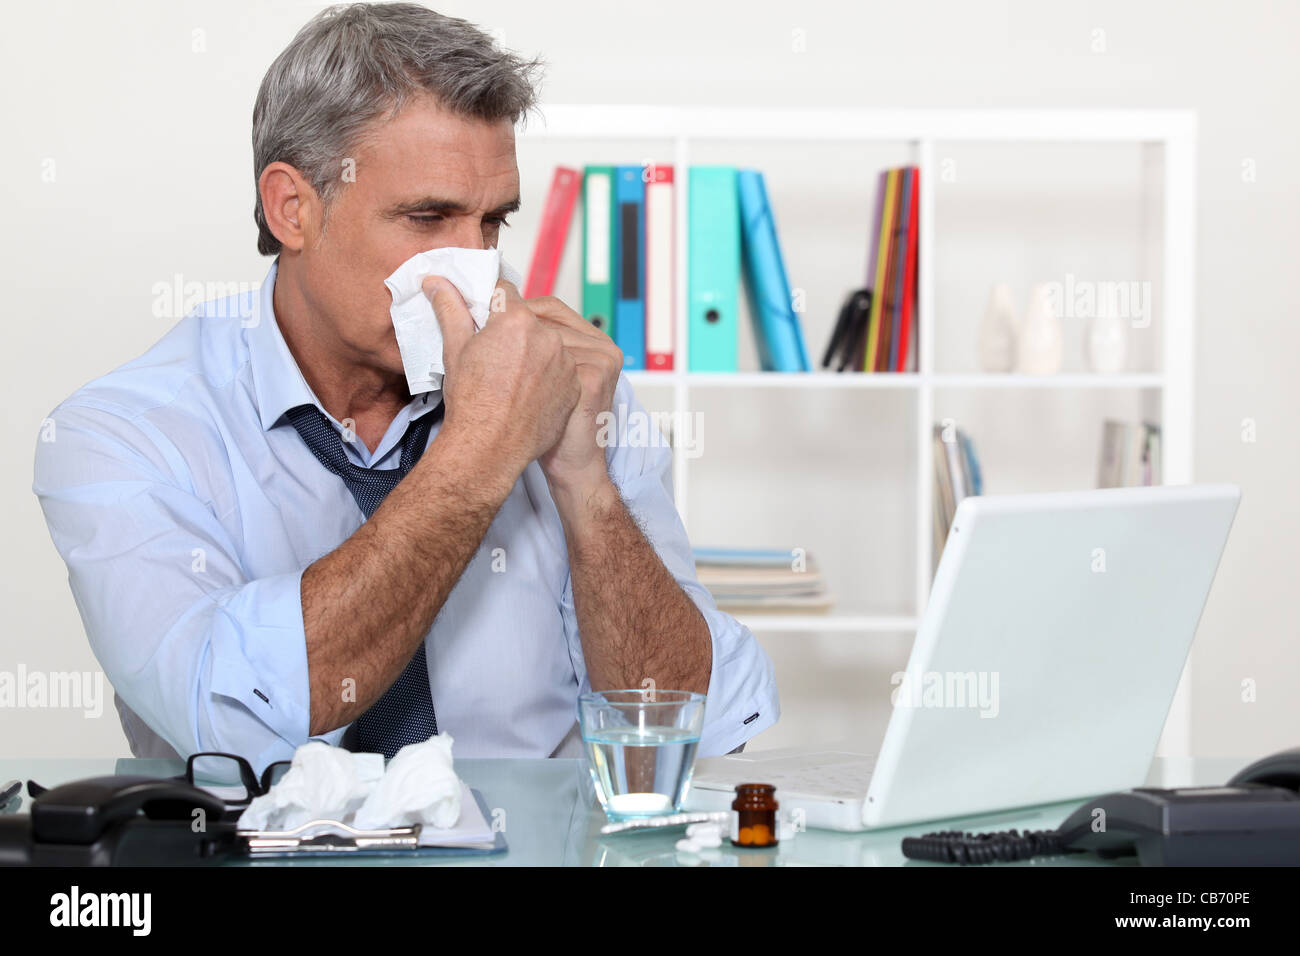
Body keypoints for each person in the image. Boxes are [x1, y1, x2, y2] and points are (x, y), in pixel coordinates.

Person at [32, 3, 777, 770]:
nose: (476, 269)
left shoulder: (564, 389)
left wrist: (583, 481)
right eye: (428, 218)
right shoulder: (122, 434)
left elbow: (696, 727)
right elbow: (226, 721)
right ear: (293, 208)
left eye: (492, 224)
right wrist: (481, 451)